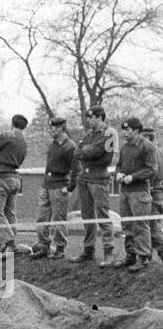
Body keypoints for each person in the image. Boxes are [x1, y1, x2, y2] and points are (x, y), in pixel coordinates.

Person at [72, 105, 118, 265]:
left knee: (103, 216)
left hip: (99, 178)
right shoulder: (89, 134)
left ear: (99, 117)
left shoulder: (109, 134)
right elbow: (77, 153)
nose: (88, 120)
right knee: (87, 216)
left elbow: (100, 154)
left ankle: (108, 252)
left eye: (91, 117)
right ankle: (88, 250)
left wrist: (87, 150)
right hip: (84, 177)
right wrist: (87, 149)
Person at [113, 117, 159, 272]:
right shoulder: (125, 148)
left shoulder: (147, 147)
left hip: (139, 192)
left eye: (128, 130)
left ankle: (144, 257)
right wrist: (118, 174)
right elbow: (119, 165)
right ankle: (130, 255)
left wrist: (133, 177)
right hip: (125, 192)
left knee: (140, 225)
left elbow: (152, 169)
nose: (125, 133)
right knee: (127, 225)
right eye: (123, 130)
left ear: (137, 131)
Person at [30, 117, 77, 260]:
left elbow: (76, 170)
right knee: (42, 218)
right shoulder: (53, 145)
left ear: (61, 128)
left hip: (60, 185)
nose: (50, 130)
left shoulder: (70, 146)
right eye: (49, 128)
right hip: (47, 185)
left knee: (59, 218)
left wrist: (69, 188)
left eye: (53, 128)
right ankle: (43, 245)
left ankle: (60, 248)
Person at [0, 114, 29, 251]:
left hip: (1, 177)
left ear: (12, 123)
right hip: (15, 177)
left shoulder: (7, 135)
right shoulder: (24, 141)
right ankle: (11, 242)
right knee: (10, 212)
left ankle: (9, 243)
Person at [144, 127, 163, 261]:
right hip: (157, 192)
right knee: (148, 226)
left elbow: (153, 174)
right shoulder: (159, 152)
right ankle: (147, 254)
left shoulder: (153, 153)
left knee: (152, 227)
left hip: (152, 192)